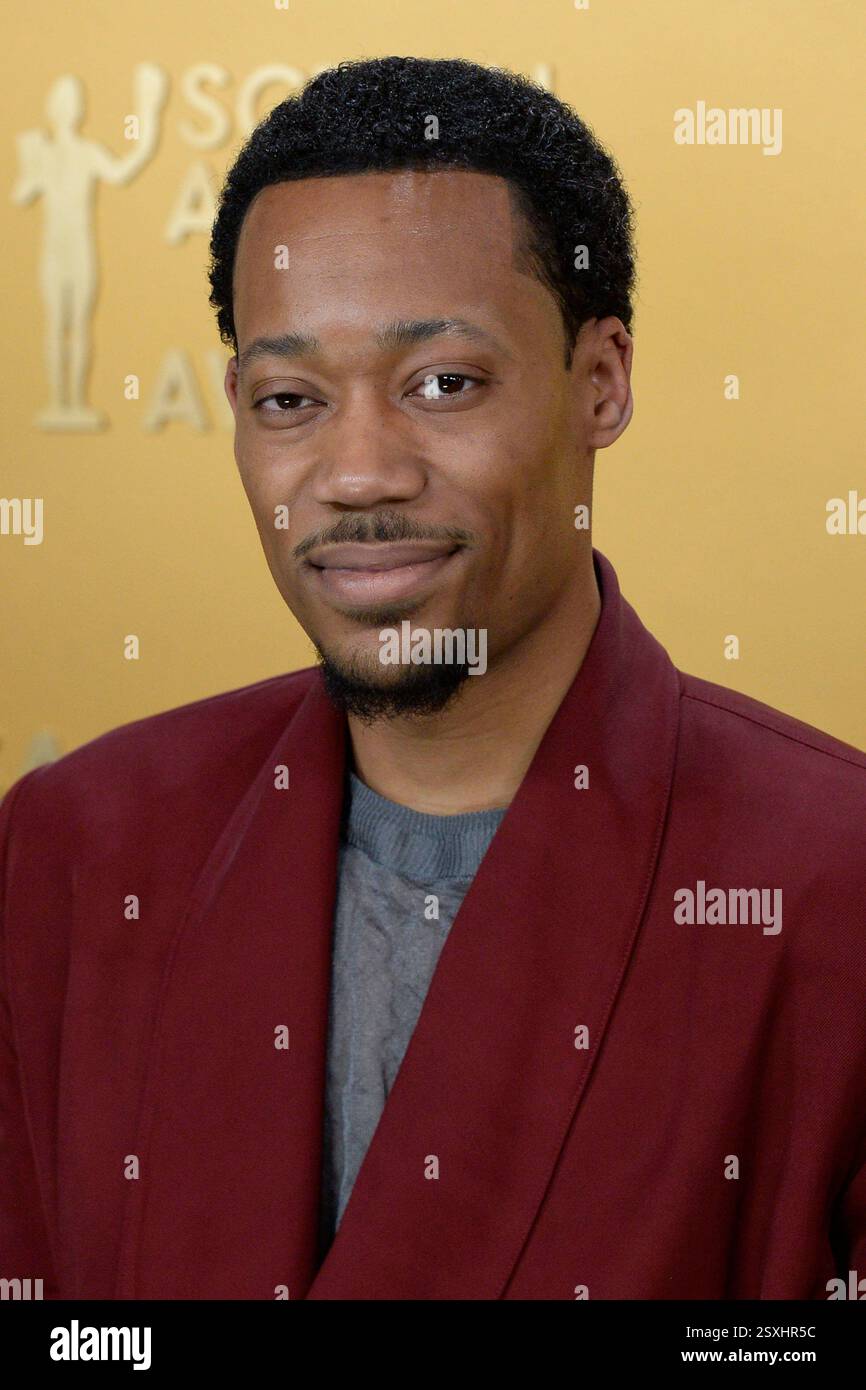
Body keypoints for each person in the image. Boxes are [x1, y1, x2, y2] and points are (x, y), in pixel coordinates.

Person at [2, 56, 864, 1302]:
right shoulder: (81, 850)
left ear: (599, 380)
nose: (357, 473)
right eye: (290, 397)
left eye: (442, 384)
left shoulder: (829, 885)